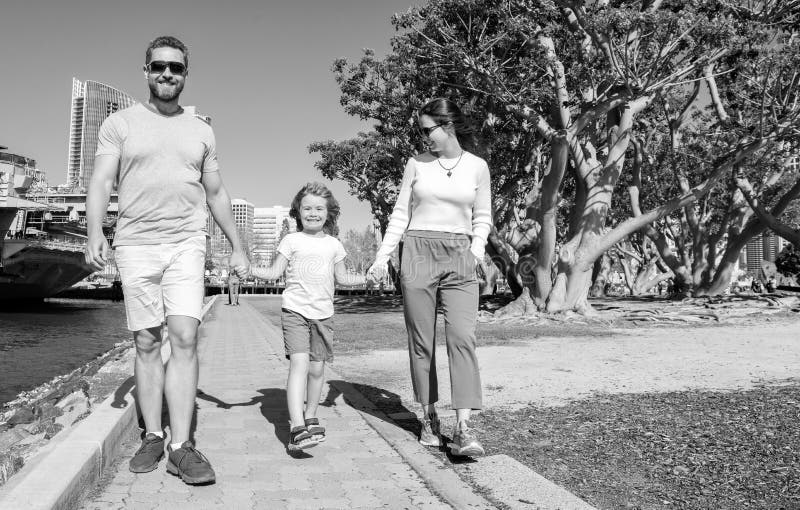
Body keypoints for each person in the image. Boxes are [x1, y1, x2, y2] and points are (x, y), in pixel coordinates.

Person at [84, 36, 248, 485]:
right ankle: (153, 435)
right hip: (135, 243)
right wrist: (95, 230)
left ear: (185, 74)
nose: (167, 74)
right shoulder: (119, 123)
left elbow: (216, 192)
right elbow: (101, 180)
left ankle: (181, 446)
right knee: (146, 341)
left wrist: (237, 245)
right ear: (146, 71)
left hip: (186, 242)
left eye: (175, 67)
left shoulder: (201, 130)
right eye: (159, 66)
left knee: (185, 336)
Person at [367, 98, 492, 457]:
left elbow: (482, 216)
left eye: (427, 130)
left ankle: (463, 427)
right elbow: (399, 214)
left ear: (447, 124)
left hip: (461, 253)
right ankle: (429, 417)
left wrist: (475, 252)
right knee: (421, 341)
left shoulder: (477, 166)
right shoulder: (416, 164)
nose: (423, 137)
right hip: (418, 250)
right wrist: (381, 257)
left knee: (462, 337)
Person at [249, 182, 365, 451]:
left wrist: (364, 278)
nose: (313, 213)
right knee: (299, 365)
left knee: (316, 369)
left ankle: (311, 416)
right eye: (307, 208)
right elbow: (273, 273)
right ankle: (297, 427)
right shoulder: (291, 241)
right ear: (298, 211)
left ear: (329, 212)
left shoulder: (335, 245)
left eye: (319, 208)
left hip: (323, 314)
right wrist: (250, 269)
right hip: (295, 311)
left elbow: (342, 278)